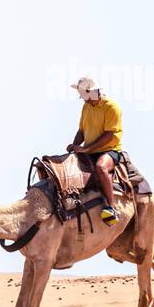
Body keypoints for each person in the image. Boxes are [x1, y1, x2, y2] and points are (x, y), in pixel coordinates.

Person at [66, 76, 124, 226]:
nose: (81, 97)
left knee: (101, 167)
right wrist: (74, 145)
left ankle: (111, 207)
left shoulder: (111, 107)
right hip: (88, 151)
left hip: (109, 151)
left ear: (91, 91)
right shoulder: (86, 107)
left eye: (83, 93)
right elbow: (82, 131)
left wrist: (87, 148)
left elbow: (109, 135)